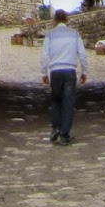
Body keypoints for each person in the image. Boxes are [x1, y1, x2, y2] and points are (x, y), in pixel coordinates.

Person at [40, 9, 88, 145]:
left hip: (55, 71)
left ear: (54, 20)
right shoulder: (74, 34)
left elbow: (45, 56)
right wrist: (84, 71)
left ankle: (56, 127)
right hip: (69, 71)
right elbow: (82, 54)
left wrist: (44, 73)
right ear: (67, 19)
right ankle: (64, 135)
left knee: (55, 100)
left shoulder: (50, 35)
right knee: (68, 103)